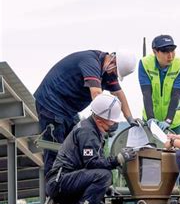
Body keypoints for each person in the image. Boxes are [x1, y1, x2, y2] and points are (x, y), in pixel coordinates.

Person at [35, 49, 137, 177]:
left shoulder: (108, 70)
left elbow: (118, 93)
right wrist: (106, 121)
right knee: (55, 150)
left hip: (69, 110)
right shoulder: (90, 62)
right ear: (113, 60)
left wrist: (130, 119)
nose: (113, 74)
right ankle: (53, 190)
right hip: (51, 104)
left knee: (78, 144)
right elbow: (96, 94)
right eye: (115, 71)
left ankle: (76, 187)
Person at [43, 94, 137, 204]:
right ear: (99, 120)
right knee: (104, 176)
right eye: (112, 122)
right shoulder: (87, 132)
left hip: (71, 180)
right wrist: (118, 160)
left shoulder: (93, 130)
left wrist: (102, 189)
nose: (114, 124)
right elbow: (92, 163)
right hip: (60, 182)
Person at [139, 34, 180, 135]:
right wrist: (150, 118)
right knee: (150, 150)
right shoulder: (144, 63)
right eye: (165, 51)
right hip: (151, 119)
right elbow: (146, 93)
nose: (170, 55)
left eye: (172, 50)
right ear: (155, 51)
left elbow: (176, 95)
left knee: (177, 150)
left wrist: (168, 120)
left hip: (175, 121)